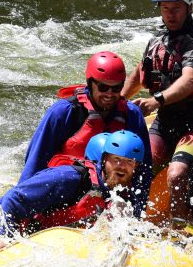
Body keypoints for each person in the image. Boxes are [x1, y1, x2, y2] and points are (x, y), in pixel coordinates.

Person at [122, 0, 193, 222]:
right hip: (166, 122)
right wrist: (118, 100)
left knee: (177, 173)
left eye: (176, 8)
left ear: (189, 7)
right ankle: (129, 221)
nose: (170, 14)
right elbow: (139, 73)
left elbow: (189, 81)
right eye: (165, 8)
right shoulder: (158, 40)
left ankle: (179, 227)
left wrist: (156, 100)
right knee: (134, 163)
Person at [0, 130, 149, 251]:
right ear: (104, 159)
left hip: (61, 247)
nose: (122, 166)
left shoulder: (123, 192)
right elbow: (12, 199)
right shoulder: (69, 177)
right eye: (116, 159)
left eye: (129, 162)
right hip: (28, 237)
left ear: (136, 166)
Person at [17, 51, 152, 186]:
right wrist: (25, 192)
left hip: (111, 189)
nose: (109, 94)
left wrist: (139, 199)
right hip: (66, 187)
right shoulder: (63, 112)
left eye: (116, 88)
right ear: (90, 83)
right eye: (103, 87)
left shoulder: (132, 114)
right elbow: (35, 163)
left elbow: (143, 169)